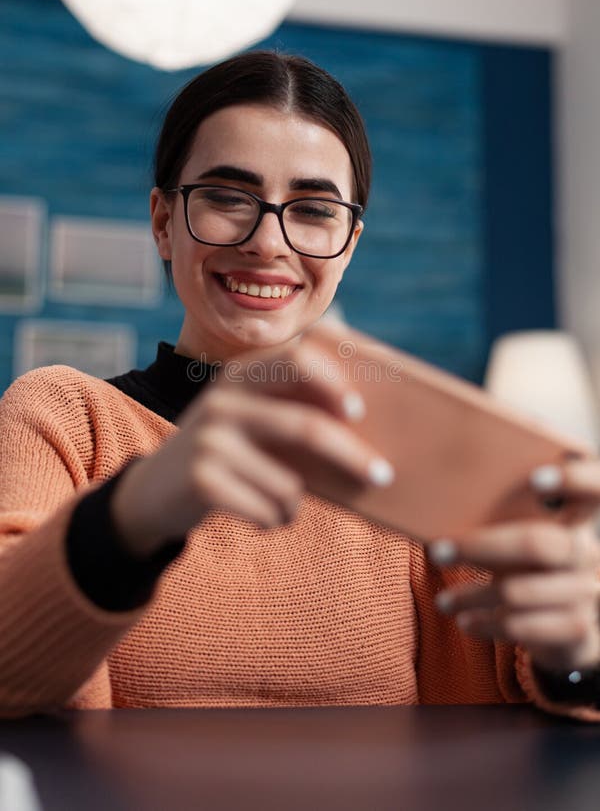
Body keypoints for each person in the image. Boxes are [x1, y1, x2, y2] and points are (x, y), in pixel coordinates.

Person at [0, 50, 599, 721]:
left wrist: (575, 650)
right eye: (228, 197)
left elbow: (541, 674)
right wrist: (136, 511)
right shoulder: (66, 415)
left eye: (313, 210)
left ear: (347, 244)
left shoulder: (411, 456)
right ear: (164, 222)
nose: (268, 242)